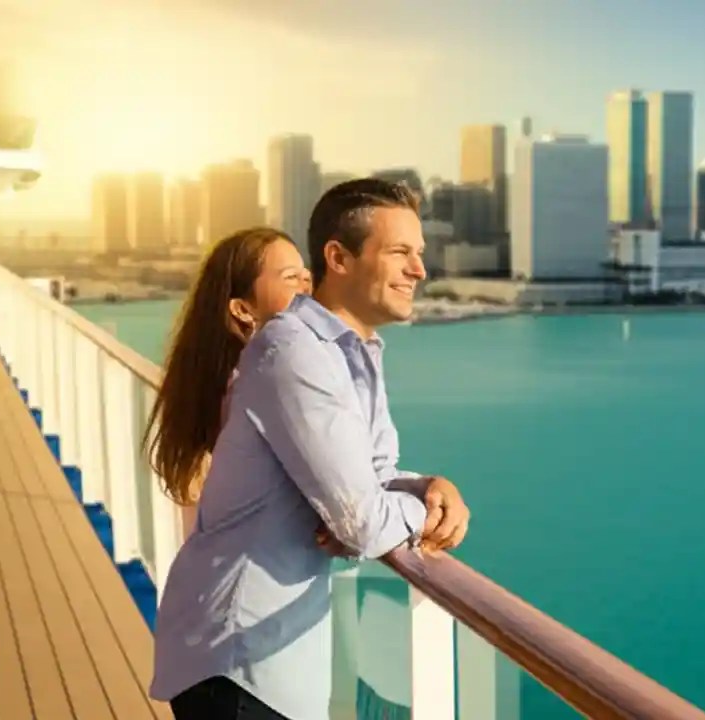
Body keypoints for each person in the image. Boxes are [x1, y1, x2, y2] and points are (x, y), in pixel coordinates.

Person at [150, 178, 470, 720]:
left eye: (419, 254)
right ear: (338, 257)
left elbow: (371, 476)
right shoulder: (292, 352)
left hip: (270, 658)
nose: (419, 270)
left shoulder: (354, 352)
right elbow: (362, 524)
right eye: (400, 253)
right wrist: (411, 512)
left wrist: (432, 489)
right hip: (238, 662)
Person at [144, 226, 312, 536]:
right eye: (291, 278)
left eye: (306, 277)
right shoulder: (261, 387)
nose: (307, 290)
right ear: (242, 309)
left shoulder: (216, 383)